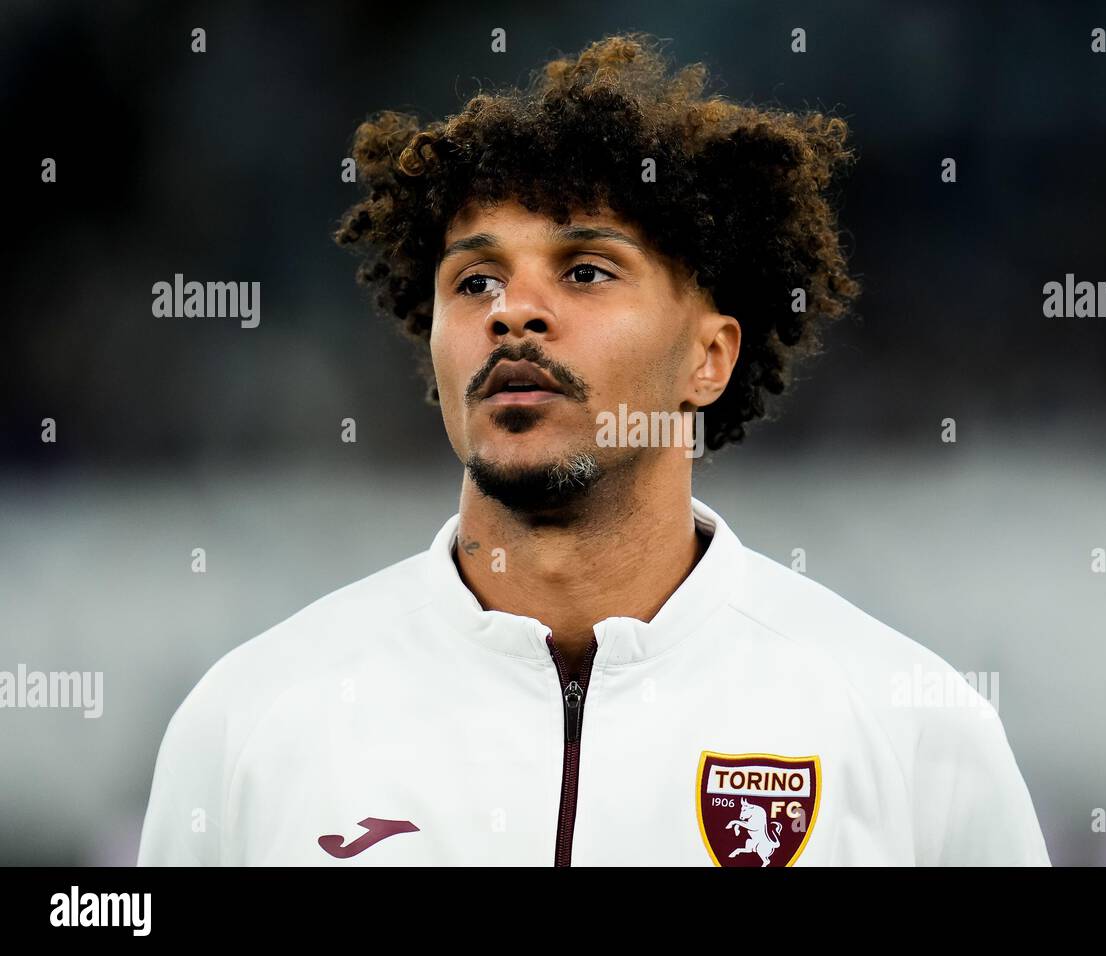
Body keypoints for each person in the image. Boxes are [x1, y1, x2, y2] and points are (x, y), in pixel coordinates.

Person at [138, 32, 1049, 866]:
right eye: (475, 280)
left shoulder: (908, 728)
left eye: (585, 271)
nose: (512, 310)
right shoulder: (249, 722)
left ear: (708, 357)